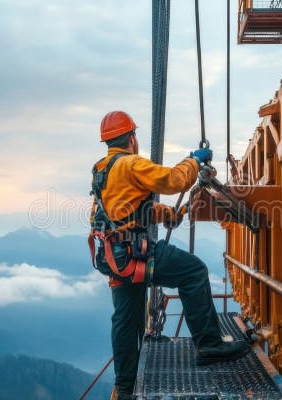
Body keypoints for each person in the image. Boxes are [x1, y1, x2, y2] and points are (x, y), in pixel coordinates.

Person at [88, 111, 249, 397]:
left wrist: (165, 214)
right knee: (194, 272)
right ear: (132, 138)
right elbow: (174, 180)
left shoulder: (102, 169)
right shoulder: (131, 163)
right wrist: (194, 160)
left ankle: (124, 387)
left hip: (116, 257)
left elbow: (120, 211)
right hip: (136, 254)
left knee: (127, 321)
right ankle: (209, 344)